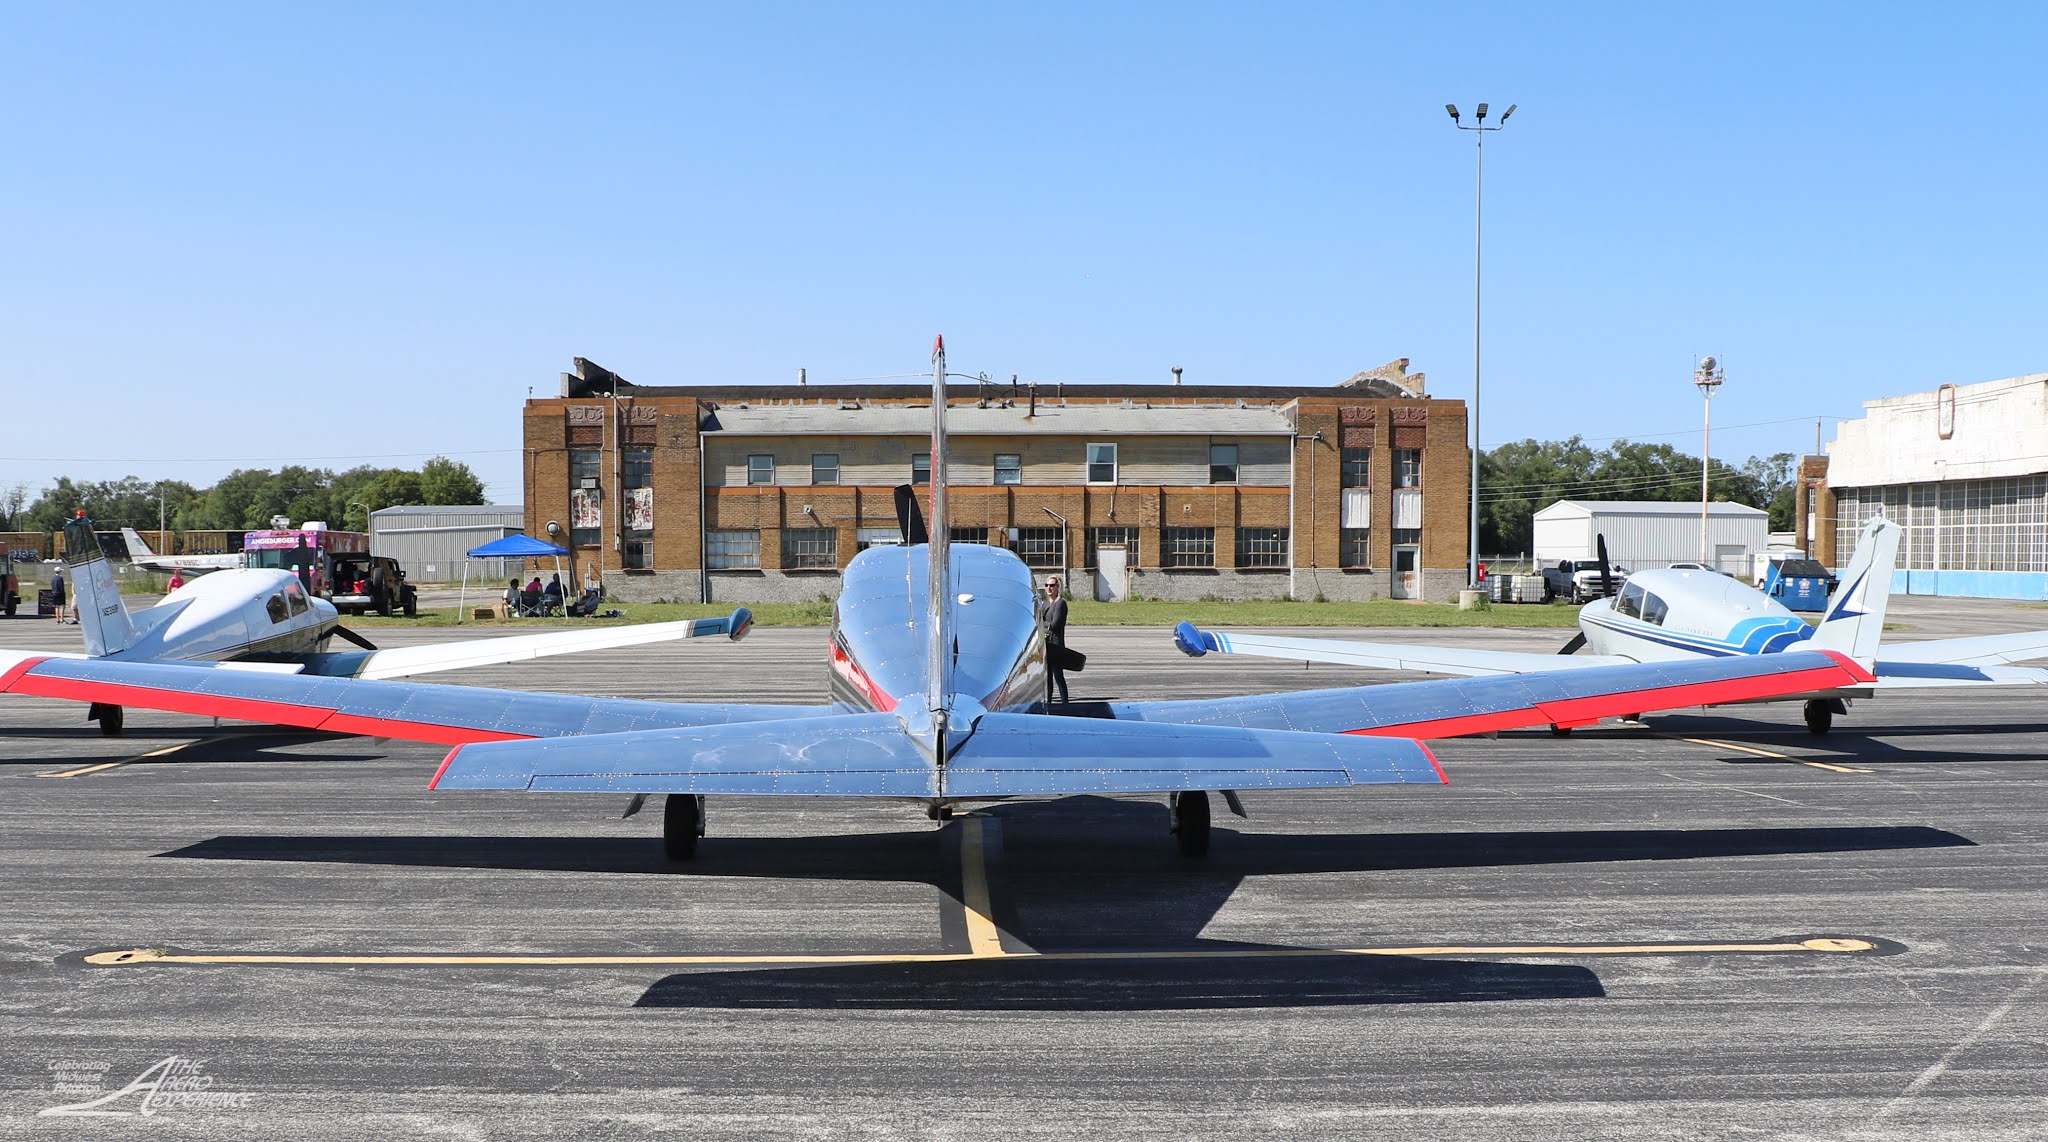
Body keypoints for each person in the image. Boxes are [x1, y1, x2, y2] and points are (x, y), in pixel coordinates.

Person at [1037, 575, 1070, 703]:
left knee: (1058, 676)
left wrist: (1042, 624)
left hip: (1056, 645)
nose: (1049, 588)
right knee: (1048, 678)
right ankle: (1049, 702)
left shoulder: (1061, 603)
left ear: (1058, 587)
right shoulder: (1045, 604)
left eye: (1052, 585)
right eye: (1047, 585)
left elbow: (1055, 625)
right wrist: (1044, 624)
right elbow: (1040, 621)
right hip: (1046, 644)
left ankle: (1065, 704)